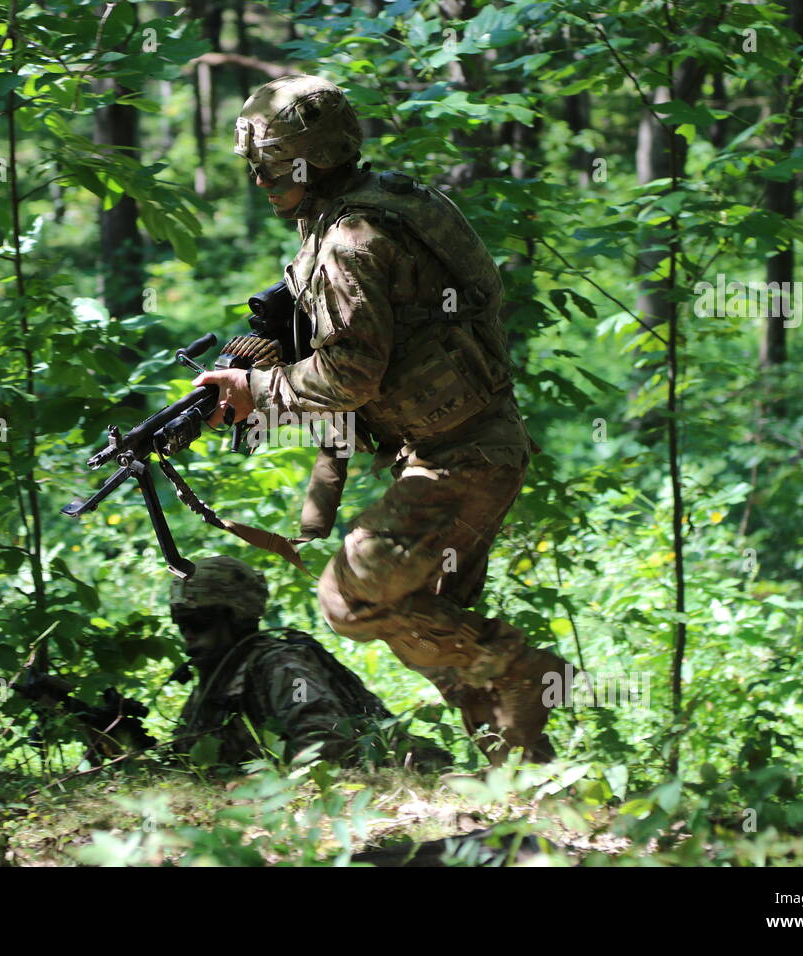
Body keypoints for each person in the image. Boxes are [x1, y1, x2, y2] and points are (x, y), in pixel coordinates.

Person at [192, 74, 568, 764]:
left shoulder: (349, 240)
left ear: (296, 164)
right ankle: (528, 784)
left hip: (459, 460)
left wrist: (257, 390)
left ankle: (522, 671)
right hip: (473, 445)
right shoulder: (394, 199)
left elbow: (350, 375)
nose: (261, 183)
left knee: (349, 598)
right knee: (432, 625)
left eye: (267, 169)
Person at [168, 555, 450, 769]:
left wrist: (266, 786)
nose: (189, 637)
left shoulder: (284, 669)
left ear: (236, 618)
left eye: (199, 623)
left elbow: (326, 743)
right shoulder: (218, 679)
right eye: (182, 625)